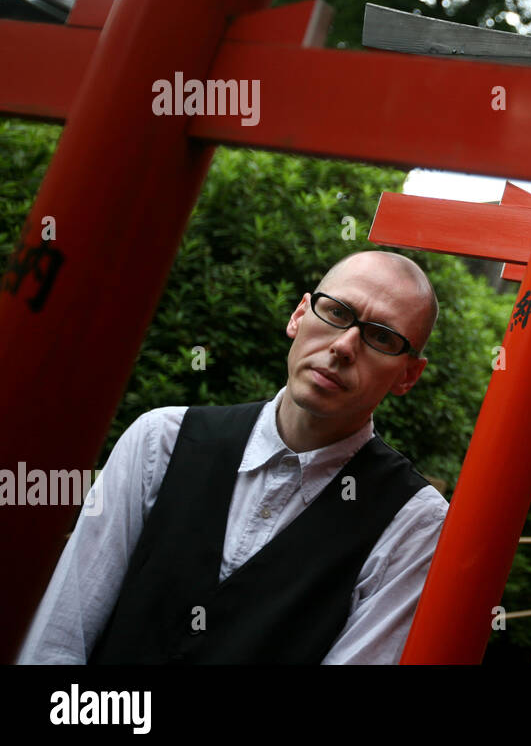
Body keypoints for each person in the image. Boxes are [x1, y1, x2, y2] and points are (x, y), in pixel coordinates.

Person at [18, 250, 448, 664]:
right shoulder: (160, 443)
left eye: (381, 336)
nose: (344, 346)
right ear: (299, 315)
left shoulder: (413, 521)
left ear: (408, 374)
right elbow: (57, 640)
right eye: (336, 312)